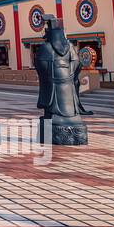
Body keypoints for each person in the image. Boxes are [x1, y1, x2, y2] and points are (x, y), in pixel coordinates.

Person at [33, 17, 86, 145]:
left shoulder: (46, 47)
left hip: (53, 83)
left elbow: (40, 63)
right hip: (68, 83)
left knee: (52, 106)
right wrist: (69, 74)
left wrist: (50, 75)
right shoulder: (70, 47)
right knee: (69, 104)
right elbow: (77, 63)